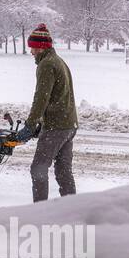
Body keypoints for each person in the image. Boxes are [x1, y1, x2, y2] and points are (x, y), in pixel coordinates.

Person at [17, 23, 78, 202]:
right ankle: (72, 207)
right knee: (63, 171)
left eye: (33, 48)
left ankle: (40, 210)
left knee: (38, 168)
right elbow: (58, 96)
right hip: (69, 125)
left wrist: (30, 125)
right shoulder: (59, 61)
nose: (31, 52)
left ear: (41, 46)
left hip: (56, 127)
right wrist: (40, 123)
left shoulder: (46, 64)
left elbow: (41, 98)